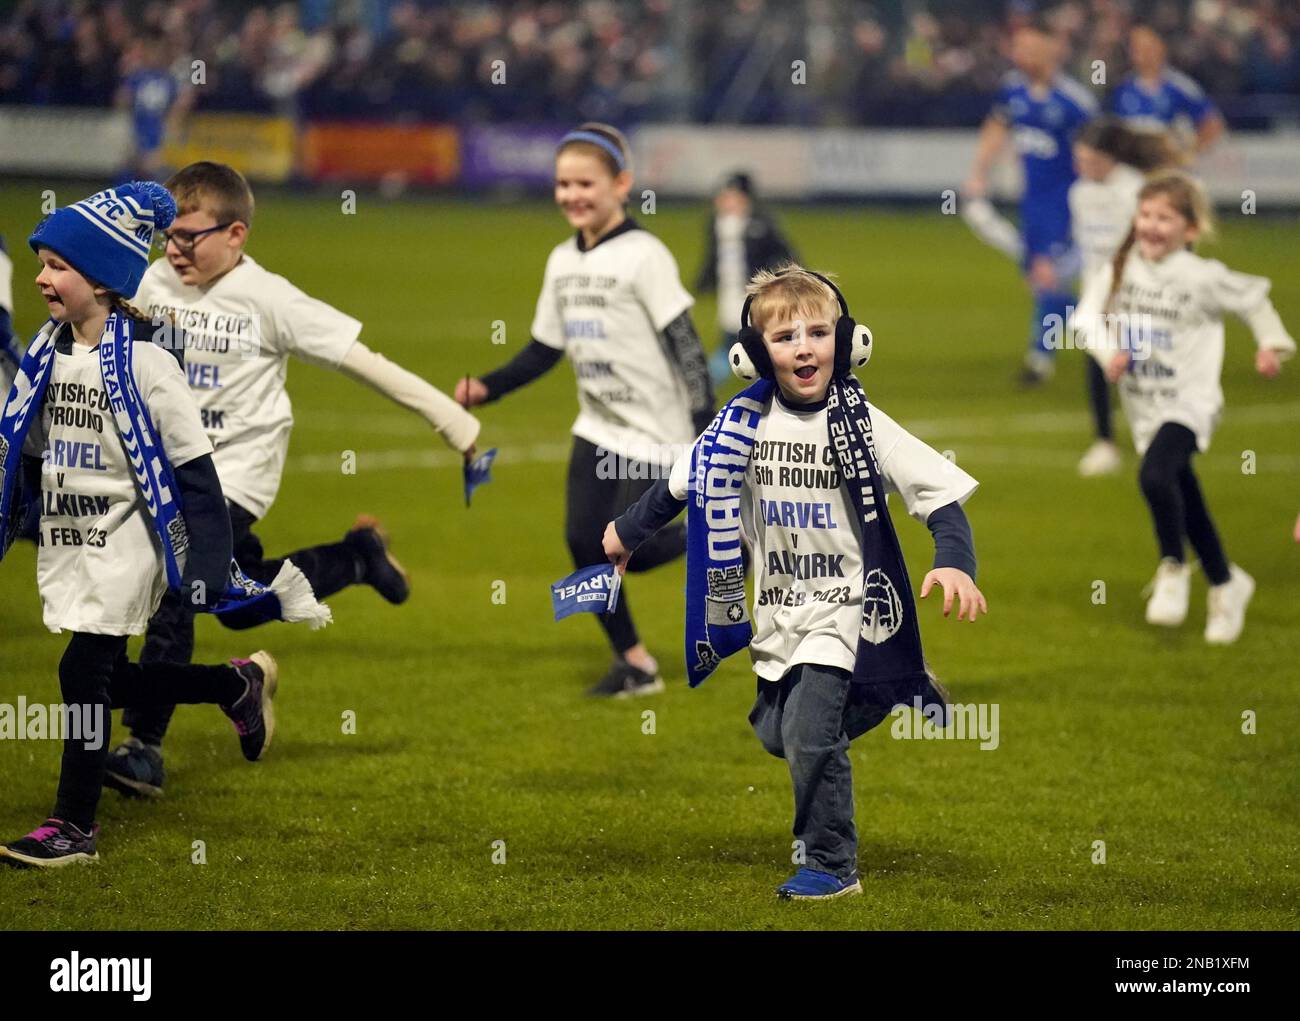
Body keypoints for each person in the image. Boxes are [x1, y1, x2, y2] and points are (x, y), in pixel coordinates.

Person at [603, 265, 987, 899]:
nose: (804, 347)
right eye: (784, 338)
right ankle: (899, 686)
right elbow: (678, 485)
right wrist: (624, 533)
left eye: (818, 332)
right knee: (778, 735)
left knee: (811, 737)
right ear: (755, 354)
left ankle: (832, 865)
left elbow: (940, 497)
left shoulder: (863, 422)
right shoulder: (737, 428)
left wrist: (953, 561)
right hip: (779, 609)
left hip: (845, 607)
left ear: (849, 339)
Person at [103, 161, 482, 798]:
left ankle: (143, 746)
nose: (175, 249)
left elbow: (364, 363)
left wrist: (455, 424)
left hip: (235, 475)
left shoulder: (271, 299)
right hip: (167, 471)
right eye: (168, 236)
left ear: (236, 234)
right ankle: (354, 561)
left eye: (190, 237)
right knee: (239, 601)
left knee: (175, 584)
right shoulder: (148, 283)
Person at [0, 182, 278, 867]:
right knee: (108, 677)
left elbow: (195, 476)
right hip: (71, 541)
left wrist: (208, 567)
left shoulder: (150, 366)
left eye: (58, 265)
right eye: (40, 263)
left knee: (80, 669)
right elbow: (26, 456)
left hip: (130, 544)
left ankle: (73, 826)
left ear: (102, 280)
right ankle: (230, 684)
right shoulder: (42, 358)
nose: (40, 277)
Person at [457, 123, 715, 698]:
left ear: (621, 184)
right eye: (562, 184)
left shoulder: (644, 255)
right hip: (597, 428)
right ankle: (637, 664)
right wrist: (488, 387)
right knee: (583, 543)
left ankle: (732, 542)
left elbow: (689, 349)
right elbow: (546, 349)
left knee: (630, 550)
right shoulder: (560, 261)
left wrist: (708, 432)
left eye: (585, 183)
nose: (572, 195)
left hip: (656, 434)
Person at [1073, 171, 1294, 643]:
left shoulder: (1200, 277)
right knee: (1183, 492)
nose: (1151, 225)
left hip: (1190, 401)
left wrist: (1270, 343)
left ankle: (1173, 566)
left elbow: (1253, 299)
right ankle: (1226, 582)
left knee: (1154, 477)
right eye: (1146, 214)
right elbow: (1085, 319)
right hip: (1144, 405)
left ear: (1190, 230)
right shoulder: (1118, 267)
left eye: (1165, 217)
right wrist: (1107, 351)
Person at [966, 22, 1097, 385]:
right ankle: (1106, 337)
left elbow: (1100, 152)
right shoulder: (1013, 91)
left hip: (1067, 207)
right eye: (1017, 48)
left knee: (1047, 280)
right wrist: (979, 172)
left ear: (1051, 50)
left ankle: (1047, 358)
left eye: (1029, 49)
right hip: (1033, 205)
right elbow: (996, 127)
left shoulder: (1075, 103)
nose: (1020, 55)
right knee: (1043, 284)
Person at [1069, 118, 1179, 476]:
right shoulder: (1080, 192)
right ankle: (1105, 443)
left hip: (1136, 291)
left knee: (1144, 366)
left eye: (1092, 160)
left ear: (1112, 158)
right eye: (1080, 160)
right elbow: (1085, 246)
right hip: (1098, 291)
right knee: (1097, 361)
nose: (1084, 167)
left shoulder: (1134, 190)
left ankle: (1161, 440)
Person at [695, 171, 798, 387]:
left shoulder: (760, 224)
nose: (723, 201)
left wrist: (783, 280)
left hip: (756, 295)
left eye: (730, 196)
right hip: (730, 296)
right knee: (738, 342)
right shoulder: (719, 225)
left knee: (745, 342)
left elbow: (785, 254)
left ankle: (705, 384)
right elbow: (712, 259)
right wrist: (703, 283)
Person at [1110, 25, 1225, 156]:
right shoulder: (1122, 88)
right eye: (1135, 48)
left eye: (1146, 48)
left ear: (1160, 48)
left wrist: (1189, 153)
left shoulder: (1180, 87)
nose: (1139, 53)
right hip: (1134, 165)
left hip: (1166, 164)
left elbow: (1212, 123)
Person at [115, 31, 192, 180]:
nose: (155, 55)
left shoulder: (170, 79)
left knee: (158, 174)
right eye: (152, 50)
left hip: (158, 135)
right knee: (127, 170)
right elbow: (121, 100)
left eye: (159, 51)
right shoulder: (136, 76)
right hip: (137, 132)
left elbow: (179, 106)